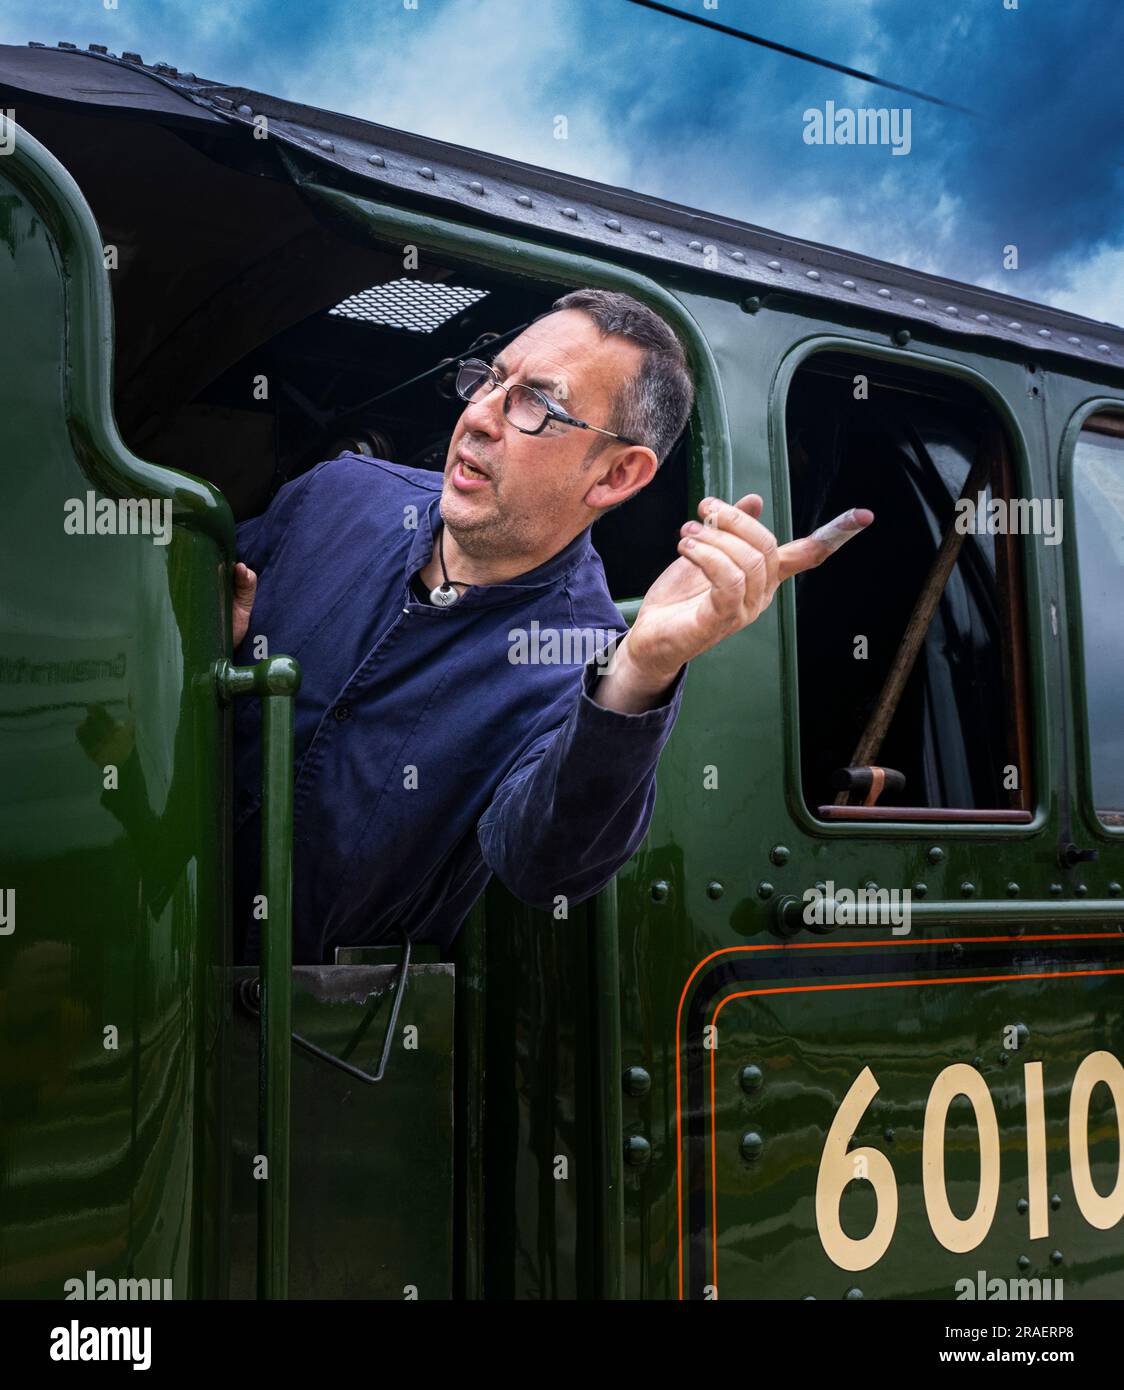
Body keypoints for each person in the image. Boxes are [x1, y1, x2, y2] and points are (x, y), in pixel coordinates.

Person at [230, 288, 871, 963]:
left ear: (618, 474)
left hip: (296, 1041)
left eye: (536, 403)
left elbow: (546, 866)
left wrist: (640, 668)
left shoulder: (574, 664)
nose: (478, 416)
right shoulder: (338, 495)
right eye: (491, 378)